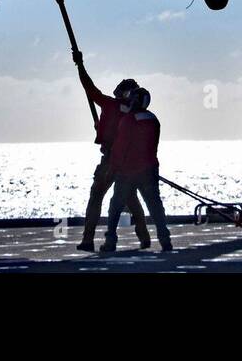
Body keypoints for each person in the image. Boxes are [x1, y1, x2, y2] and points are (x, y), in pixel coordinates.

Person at [74, 53, 149, 252]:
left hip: (110, 160)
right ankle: (144, 236)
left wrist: (80, 65)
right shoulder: (135, 114)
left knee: (96, 195)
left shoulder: (109, 104)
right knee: (130, 198)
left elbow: (89, 88)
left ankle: (88, 239)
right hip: (129, 163)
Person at [101, 87, 173, 253]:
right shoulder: (154, 120)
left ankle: (110, 241)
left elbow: (120, 148)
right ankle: (165, 240)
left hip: (127, 172)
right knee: (155, 206)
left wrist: (112, 168)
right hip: (149, 170)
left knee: (115, 206)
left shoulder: (128, 120)